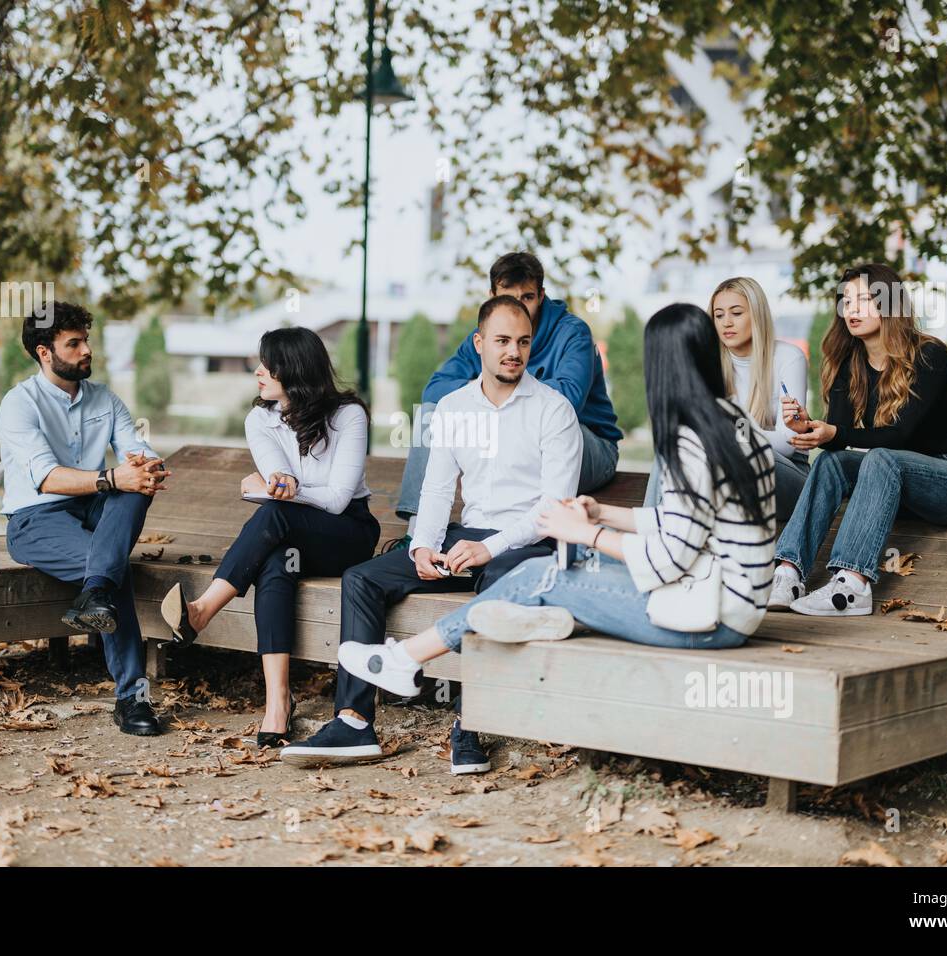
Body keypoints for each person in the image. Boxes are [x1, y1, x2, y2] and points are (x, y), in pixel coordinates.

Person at [335, 303, 776, 705]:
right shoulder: (734, 424)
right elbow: (687, 522)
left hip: (710, 616)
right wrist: (604, 513)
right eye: (503, 340)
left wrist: (586, 533)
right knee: (548, 575)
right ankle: (380, 689)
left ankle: (409, 659)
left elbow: (668, 560)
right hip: (733, 603)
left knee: (537, 574)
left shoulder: (689, 440)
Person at [280, 294, 583, 771]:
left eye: (523, 342)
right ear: (479, 343)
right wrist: (423, 544)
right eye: (502, 340)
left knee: (496, 585)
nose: (514, 352)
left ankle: (469, 725)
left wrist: (489, 548)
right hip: (466, 538)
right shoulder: (454, 407)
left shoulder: (554, 411)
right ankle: (354, 720)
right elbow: (439, 489)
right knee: (363, 578)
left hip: (527, 545)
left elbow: (553, 509)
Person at [158, 328, 380, 747]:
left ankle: (204, 609)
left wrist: (278, 490)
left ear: (294, 369)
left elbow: (335, 500)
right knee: (276, 563)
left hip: (347, 533)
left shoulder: (348, 414)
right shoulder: (260, 418)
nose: (258, 371)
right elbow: (279, 480)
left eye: (268, 364)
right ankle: (277, 703)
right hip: (291, 531)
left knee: (278, 516)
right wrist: (274, 487)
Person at [768, 262, 947, 616]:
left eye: (864, 300)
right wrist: (811, 428)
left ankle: (852, 586)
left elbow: (899, 435)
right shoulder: (849, 361)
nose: (852, 310)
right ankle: (788, 574)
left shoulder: (926, 355)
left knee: (882, 456)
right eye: (846, 301)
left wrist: (834, 432)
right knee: (831, 462)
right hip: (907, 476)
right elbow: (838, 439)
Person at [0, 302, 170, 736]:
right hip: (36, 521)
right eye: (73, 343)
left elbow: (137, 451)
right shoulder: (18, 405)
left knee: (132, 497)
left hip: (95, 515)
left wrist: (148, 467)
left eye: (85, 340)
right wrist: (115, 476)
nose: (86, 350)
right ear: (44, 352)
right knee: (115, 570)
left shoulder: (105, 399)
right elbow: (48, 478)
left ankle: (95, 594)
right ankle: (133, 700)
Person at [392, 252, 621, 529]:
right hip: (511, 442)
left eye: (528, 297)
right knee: (430, 414)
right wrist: (484, 390)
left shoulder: (573, 333)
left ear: (542, 295)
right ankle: (416, 533)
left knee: (556, 419)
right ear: (492, 296)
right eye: (509, 296)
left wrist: (503, 388)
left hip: (586, 447)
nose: (518, 305)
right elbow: (435, 389)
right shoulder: (484, 335)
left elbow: (568, 399)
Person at [645, 277, 808, 527]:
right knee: (672, 443)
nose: (726, 323)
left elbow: (788, 444)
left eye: (736, 313)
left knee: (735, 449)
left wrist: (736, 429)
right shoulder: (709, 363)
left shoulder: (788, 357)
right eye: (718, 315)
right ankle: (656, 527)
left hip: (785, 477)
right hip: (728, 476)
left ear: (757, 315)